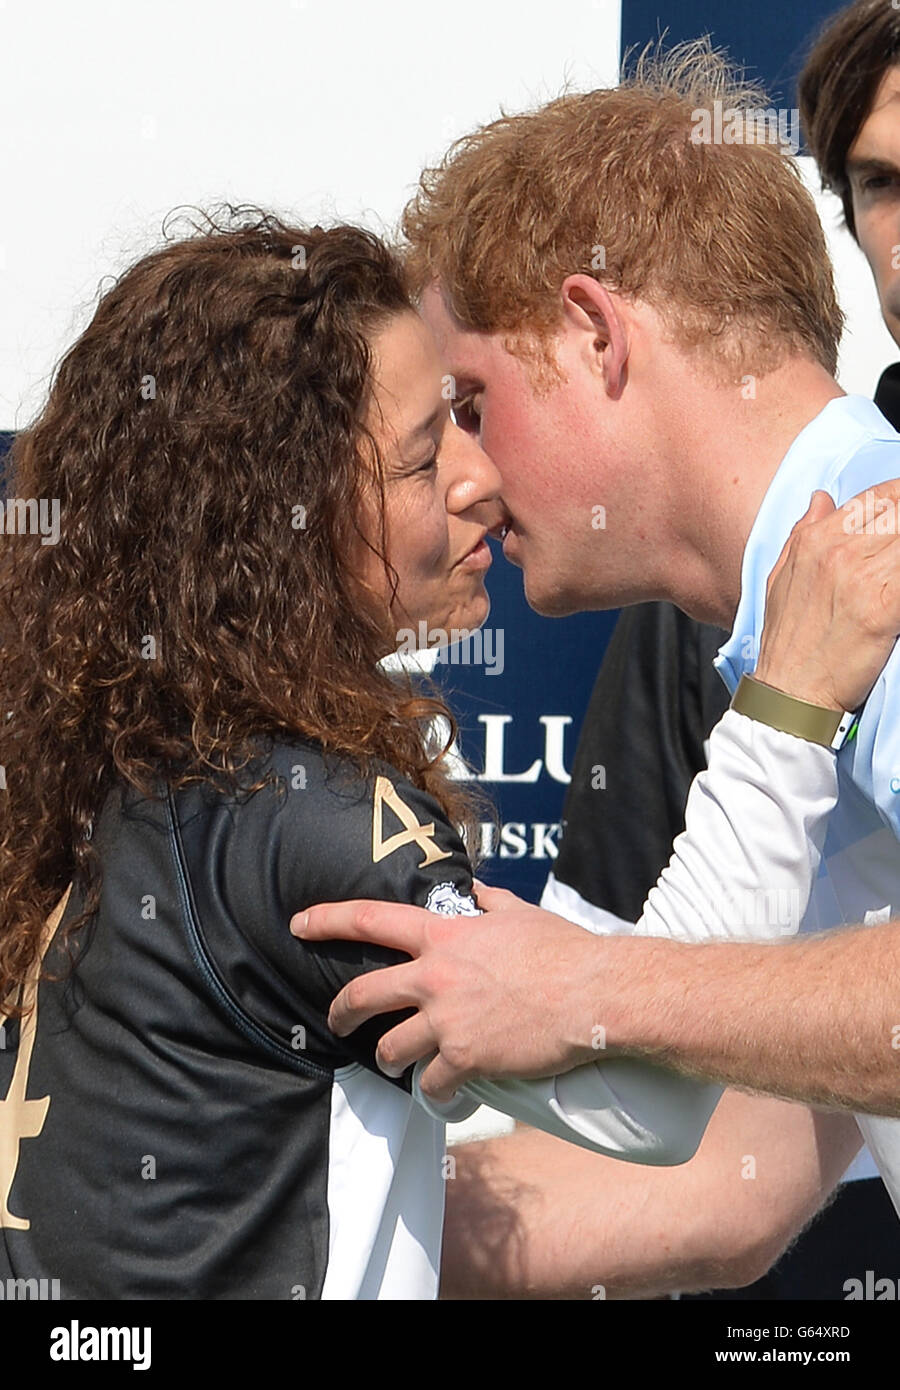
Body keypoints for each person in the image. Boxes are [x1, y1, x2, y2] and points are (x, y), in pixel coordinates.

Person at [4, 208, 878, 1300]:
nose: (481, 475)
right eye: (427, 452)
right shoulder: (312, 816)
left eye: (470, 418)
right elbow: (645, 1104)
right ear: (280, 519)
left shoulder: (123, 771)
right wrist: (786, 708)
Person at [293, 42, 900, 1296]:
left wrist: (595, 983)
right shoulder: (789, 621)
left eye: (471, 401)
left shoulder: (881, 558)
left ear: (592, 332)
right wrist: (241, 1226)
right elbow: (724, 1157)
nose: (462, 475)